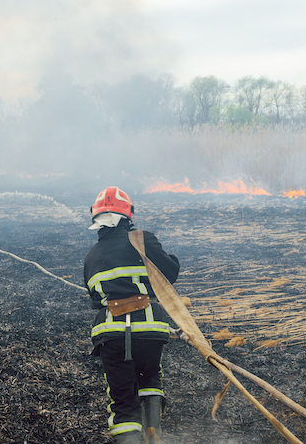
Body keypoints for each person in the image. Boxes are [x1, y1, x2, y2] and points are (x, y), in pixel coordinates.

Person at [83, 186, 180, 444]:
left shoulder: (91, 257)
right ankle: (153, 436)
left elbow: (95, 300)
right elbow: (170, 273)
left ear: (97, 220)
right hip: (149, 327)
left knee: (123, 402)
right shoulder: (142, 239)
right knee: (149, 379)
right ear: (129, 216)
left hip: (111, 334)